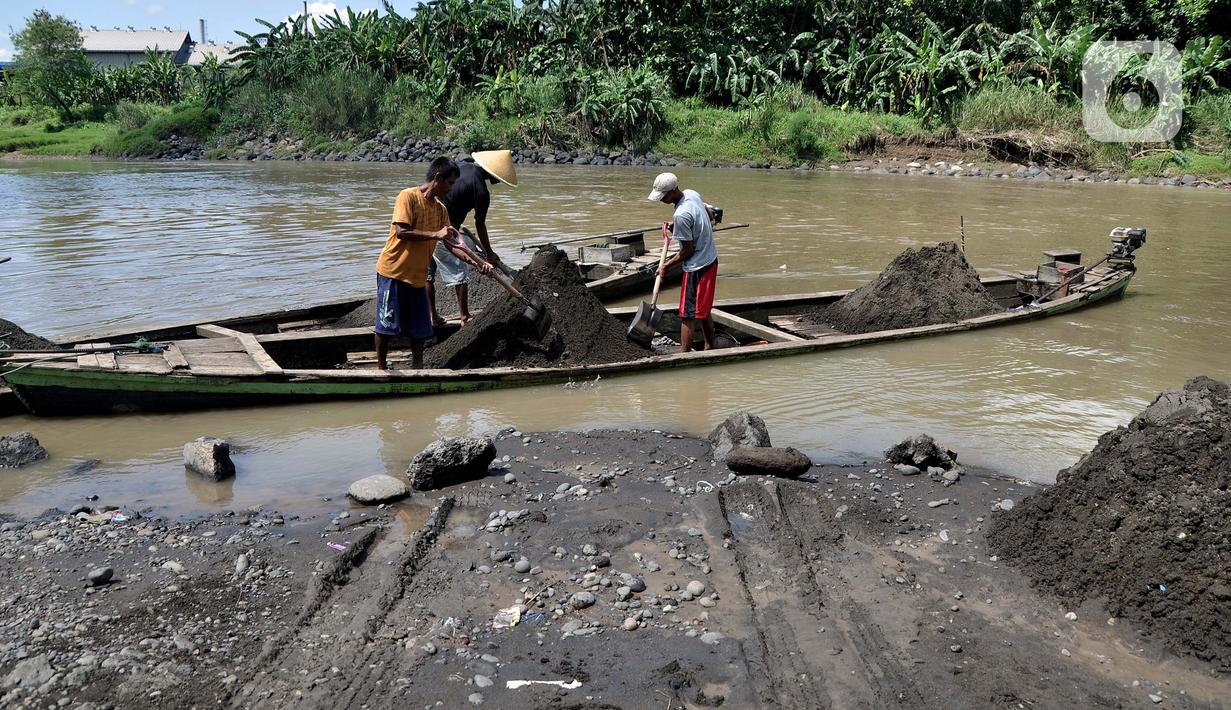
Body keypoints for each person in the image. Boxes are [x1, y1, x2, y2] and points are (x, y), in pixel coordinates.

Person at [374, 157, 491, 370]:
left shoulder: (440, 210)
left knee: (419, 329)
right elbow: (402, 232)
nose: (451, 188)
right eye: (450, 183)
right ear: (437, 178)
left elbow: (451, 244)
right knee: (386, 325)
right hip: (394, 271)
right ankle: (381, 370)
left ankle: (417, 368)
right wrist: (435, 234)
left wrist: (476, 263)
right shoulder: (407, 197)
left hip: (417, 277)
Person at [429, 149, 519, 325]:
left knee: (428, 274)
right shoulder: (482, 191)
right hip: (445, 228)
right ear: (493, 173)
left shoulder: (462, 167)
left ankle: (432, 317)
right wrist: (489, 253)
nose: (500, 181)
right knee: (460, 268)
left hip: (428, 220)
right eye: (500, 177)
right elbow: (480, 224)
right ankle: (465, 317)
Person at [648, 172, 718, 352]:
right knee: (703, 309)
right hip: (711, 258)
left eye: (663, 196)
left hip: (697, 266)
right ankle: (710, 346)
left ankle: (684, 356)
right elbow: (709, 216)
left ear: (673, 191)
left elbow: (687, 251)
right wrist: (678, 226)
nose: (662, 200)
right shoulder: (691, 194)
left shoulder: (681, 215)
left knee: (687, 314)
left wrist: (665, 266)